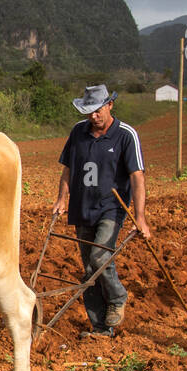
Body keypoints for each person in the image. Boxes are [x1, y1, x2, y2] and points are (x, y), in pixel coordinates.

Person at [51, 84, 150, 337]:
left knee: (99, 258)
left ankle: (118, 297)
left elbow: (137, 177)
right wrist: (62, 198)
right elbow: (68, 169)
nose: (93, 116)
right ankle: (100, 328)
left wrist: (140, 218)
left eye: (97, 111)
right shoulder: (78, 132)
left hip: (111, 208)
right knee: (89, 271)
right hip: (81, 208)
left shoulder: (126, 134)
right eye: (89, 112)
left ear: (109, 106)